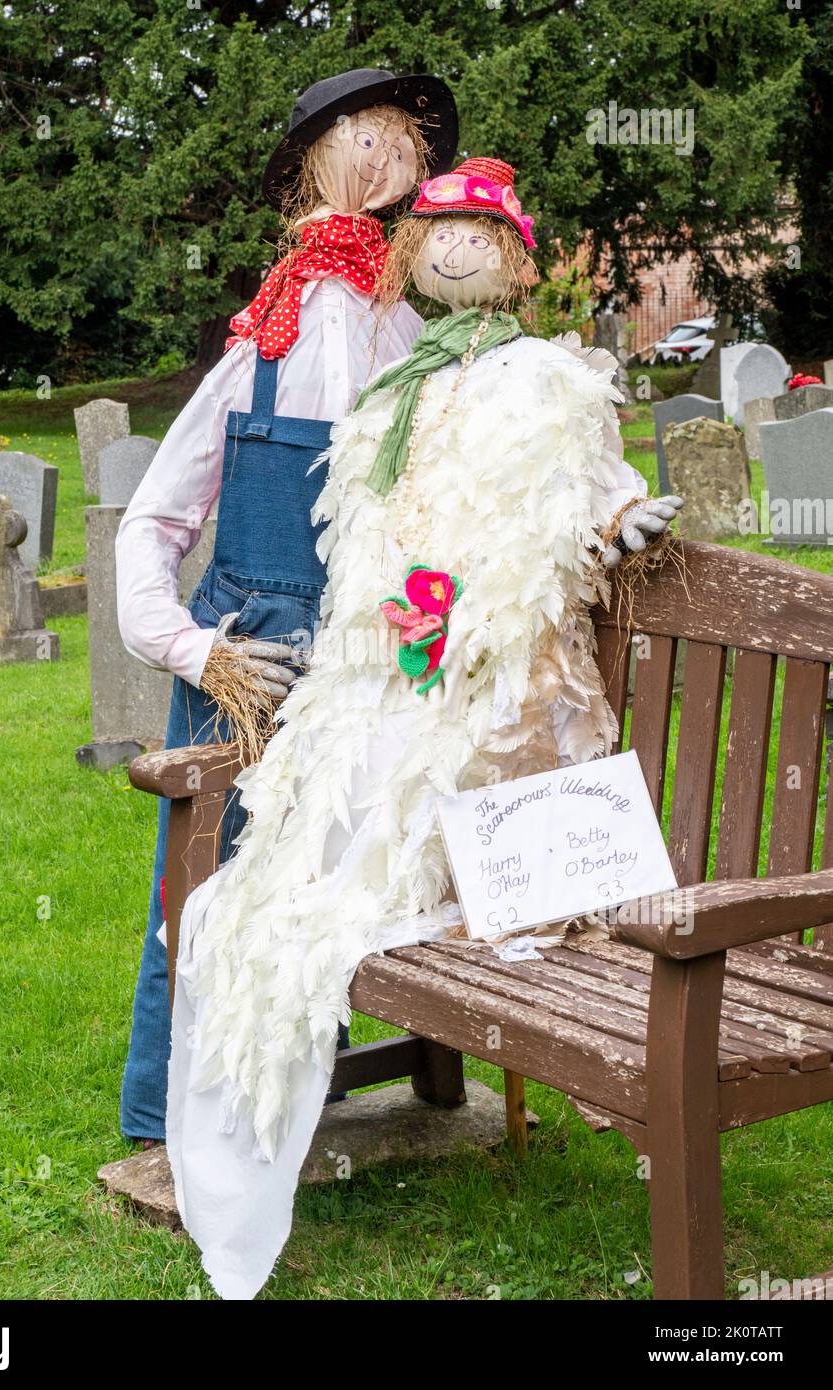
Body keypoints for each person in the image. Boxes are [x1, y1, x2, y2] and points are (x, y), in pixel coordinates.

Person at [162, 156, 684, 1299]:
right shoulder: (398, 389)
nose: (451, 249)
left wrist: (616, 513)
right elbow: (379, 516)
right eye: (435, 232)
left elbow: (572, 479)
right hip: (414, 630)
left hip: (502, 657)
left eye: (476, 234)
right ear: (417, 250)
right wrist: (396, 609)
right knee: (291, 860)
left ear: (513, 259)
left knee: (469, 740)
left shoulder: (547, 375)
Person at [115, 68, 459, 1144]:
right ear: (319, 156)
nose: (392, 156)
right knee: (210, 888)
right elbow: (153, 524)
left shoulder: (414, 341)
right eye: (370, 136)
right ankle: (171, 1115)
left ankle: (305, 1092)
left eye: (407, 143)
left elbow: (441, 515)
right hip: (251, 659)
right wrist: (192, 649)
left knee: (359, 871)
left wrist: (427, 654)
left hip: (372, 660)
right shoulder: (267, 337)